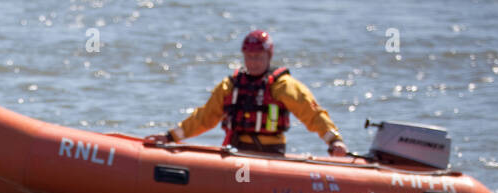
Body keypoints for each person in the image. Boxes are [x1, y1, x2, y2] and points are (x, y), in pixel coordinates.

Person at [144, 30, 347, 156]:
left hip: (270, 154)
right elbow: (204, 118)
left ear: (269, 55)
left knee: (246, 178)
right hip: (237, 150)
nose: (253, 62)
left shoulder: (284, 86)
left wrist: (334, 140)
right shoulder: (230, 86)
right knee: (241, 176)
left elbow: (312, 114)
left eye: (258, 57)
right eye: (249, 57)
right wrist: (170, 136)